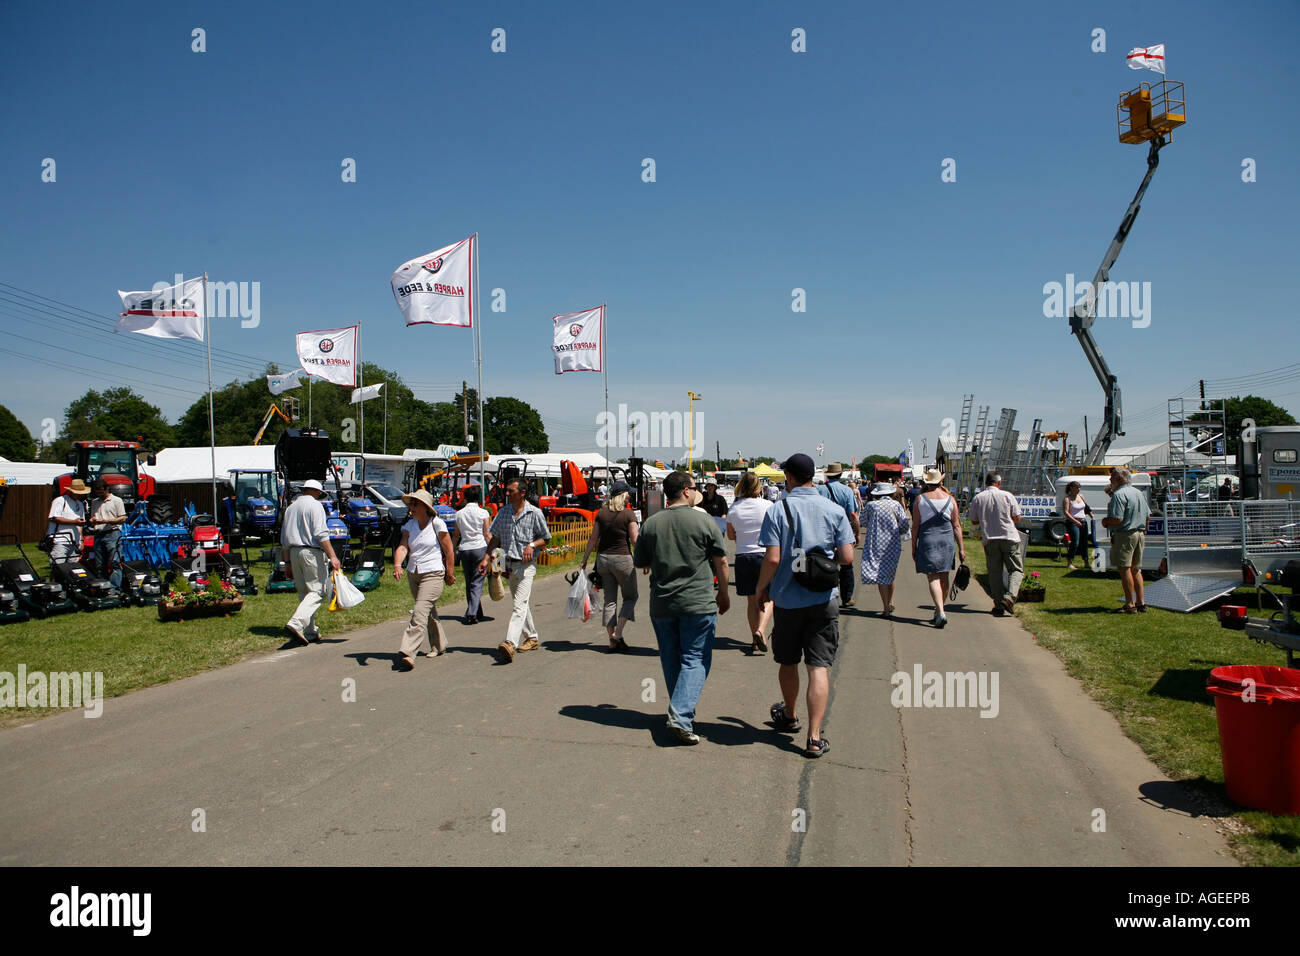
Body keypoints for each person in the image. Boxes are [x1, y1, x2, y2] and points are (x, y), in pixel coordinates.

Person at [756, 453, 854, 758]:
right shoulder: (834, 509)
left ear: (790, 477)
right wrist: (821, 563)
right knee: (818, 666)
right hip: (823, 599)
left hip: (787, 599)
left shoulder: (777, 510)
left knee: (788, 662)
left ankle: (790, 714)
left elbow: (772, 558)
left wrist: (762, 589)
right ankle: (813, 737)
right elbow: (847, 557)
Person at [632, 471, 730, 745]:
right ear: (686, 491)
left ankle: (681, 712)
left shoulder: (651, 523)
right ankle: (681, 716)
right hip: (697, 602)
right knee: (695, 658)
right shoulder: (703, 520)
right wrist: (724, 593)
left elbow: (641, 562)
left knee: (671, 657)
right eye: (695, 487)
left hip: (662, 602)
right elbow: (720, 561)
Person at [478, 478, 551, 663]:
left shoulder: (535, 513)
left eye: (511, 491)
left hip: (527, 566)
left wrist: (532, 545)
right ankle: (532, 637)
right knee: (521, 603)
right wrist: (487, 558)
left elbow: (546, 538)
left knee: (519, 605)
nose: (507, 494)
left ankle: (510, 642)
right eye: (507, 491)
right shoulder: (503, 513)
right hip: (509, 564)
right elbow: (495, 538)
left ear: (523, 493)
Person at [392, 489, 454, 669]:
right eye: (411, 503)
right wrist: (397, 565)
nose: (412, 507)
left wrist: (450, 573)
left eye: (415, 503)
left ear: (425, 507)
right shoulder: (410, 525)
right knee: (427, 612)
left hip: (433, 573)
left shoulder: (437, 523)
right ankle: (439, 645)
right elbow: (403, 547)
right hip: (414, 573)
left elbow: (449, 550)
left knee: (419, 611)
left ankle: (408, 651)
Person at [281, 479, 342, 646]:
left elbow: (284, 539)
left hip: (293, 552)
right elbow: (321, 534)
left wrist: (286, 562)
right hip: (311, 552)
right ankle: (296, 623)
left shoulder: (291, 508)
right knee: (317, 591)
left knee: (304, 593)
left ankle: (310, 631)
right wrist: (333, 556)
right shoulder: (315, 506)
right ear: (316, 492)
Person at [581, 480, 640, 652]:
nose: (630, 495)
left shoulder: (602, 513)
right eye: (628, 493)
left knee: (610, 600)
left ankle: (611, 641)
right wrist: (645, 559)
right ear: (623, 495)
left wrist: (585, 559)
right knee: (630, 597)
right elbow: (635, 539)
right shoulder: (629, 514)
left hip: (603, 560)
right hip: (622, 559)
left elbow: (593, 539)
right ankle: (618, 634)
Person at [726, 471, 774, 654]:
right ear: (759, 487)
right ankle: (760, 631)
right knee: (769, 598)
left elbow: (731, 536)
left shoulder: (734, 508)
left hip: (743, 556)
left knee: (751, 601)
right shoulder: (768, 505)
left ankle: (754, 639)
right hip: (763, 555)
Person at [911, 468, 965, 628]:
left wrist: (913, 546)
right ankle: (939, 610)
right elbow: (957, 525)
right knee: (944, 576)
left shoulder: (920, 499)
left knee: (933, 577)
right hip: (947, 540)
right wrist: (961, 548)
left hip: (928, 540)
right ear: (941, 481)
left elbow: (915, 526)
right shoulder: (950, 499)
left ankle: (940, 612)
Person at [968, 472, 1024, 616]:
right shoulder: (1007, 495)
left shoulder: (978, 498)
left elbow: (973, 520)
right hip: (1009, 537)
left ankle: (999, 604)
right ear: (998, 483)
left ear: (986, 483)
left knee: (994, 573)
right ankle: (1010, 597)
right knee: (1016, 570)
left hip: (990, 539)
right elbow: (1017, 518)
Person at [1101, 466, 1151, 613]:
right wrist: (1144, 530)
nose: (1110, 480)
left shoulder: (1118, 495)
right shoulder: (1138, 493)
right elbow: (1148, 515)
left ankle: (1130, 604)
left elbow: (1117, 519)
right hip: (1139, 534)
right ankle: (1141, 602)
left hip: (1125, 534)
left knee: (1124, 569)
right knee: (1136, 569)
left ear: (1119, 479)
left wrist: (1105, 521)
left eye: (1112, 478)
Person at [860, 482, 910, 617]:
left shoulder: (871, 506)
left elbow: (862, 521)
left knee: (880, 573)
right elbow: (904, 526)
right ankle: (890, 601)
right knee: (890, 573)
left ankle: (885, 607)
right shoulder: (897, 505)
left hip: (875, 543)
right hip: (893, 543)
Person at [817, 463, 861, 608]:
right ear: (840, 475)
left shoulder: (819, 490)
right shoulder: (847, 491)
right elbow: (853, 514)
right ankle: (847, 597)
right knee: (846, 564)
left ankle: (825, 594)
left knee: (824, 561)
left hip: (823, 529)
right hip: (843, 529)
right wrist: (857, 533)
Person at [453, 484, 492, 625]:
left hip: (464, 548)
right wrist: (493, 549)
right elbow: (486, 534)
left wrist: (451, 550)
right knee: (477, 582)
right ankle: (471, 613)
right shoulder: (483, 513)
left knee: (469, 581)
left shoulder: (458, 514)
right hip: (479, 547)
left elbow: (456, 535)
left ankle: (476, 610)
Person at [89, 479, 127, 586]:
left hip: (113, 533)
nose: (100, 494)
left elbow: (123, 518)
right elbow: (93, 517)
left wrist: (107, 521)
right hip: (98, 533)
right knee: (100, 564)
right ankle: (103, 586)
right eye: (98, 492)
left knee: (115, 562)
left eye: (102, 492)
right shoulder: (95, 502)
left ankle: (115, 588)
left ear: (107, 489)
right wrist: (92, 521)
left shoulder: (116, 500)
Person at [46, 479, 90, 563]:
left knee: (73, 568)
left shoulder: (80, 504)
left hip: (75, 541)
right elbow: (55, 518)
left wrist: (81, 540)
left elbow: (80, 524)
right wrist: (74, 522)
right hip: (60, 540)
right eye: (77, 493)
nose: (79, 495)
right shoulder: (60, 501)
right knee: (58, 566)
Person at [1062, 480, 1092, 572]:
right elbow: (1066, 512)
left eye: (1079, 488)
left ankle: (1086, 562)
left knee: (1084, 542)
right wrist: (1075, 521)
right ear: (1071, 488)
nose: (1078, 490)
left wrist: (1090, 514)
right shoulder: (1067, 499)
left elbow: (1086, 507)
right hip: (1073, 522)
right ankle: (1070, 562)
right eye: (1076, 488)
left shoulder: (1081, 497)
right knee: (1075, 542)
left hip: (1083, 521)